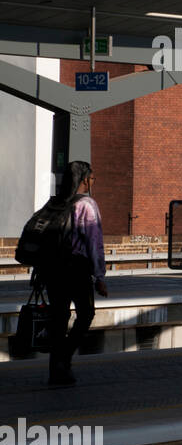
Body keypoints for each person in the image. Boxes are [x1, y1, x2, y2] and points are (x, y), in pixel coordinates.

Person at [44, 161, 107, 387]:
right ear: (85, 180)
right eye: (93, 178)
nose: (93, 182)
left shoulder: (56, 202)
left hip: (53, 270)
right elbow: (94, 243)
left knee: (59, 319)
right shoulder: (87, 205)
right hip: (76, 269)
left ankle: (56, 371)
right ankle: (64, 360)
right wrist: (100, 276)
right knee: (86, 314)